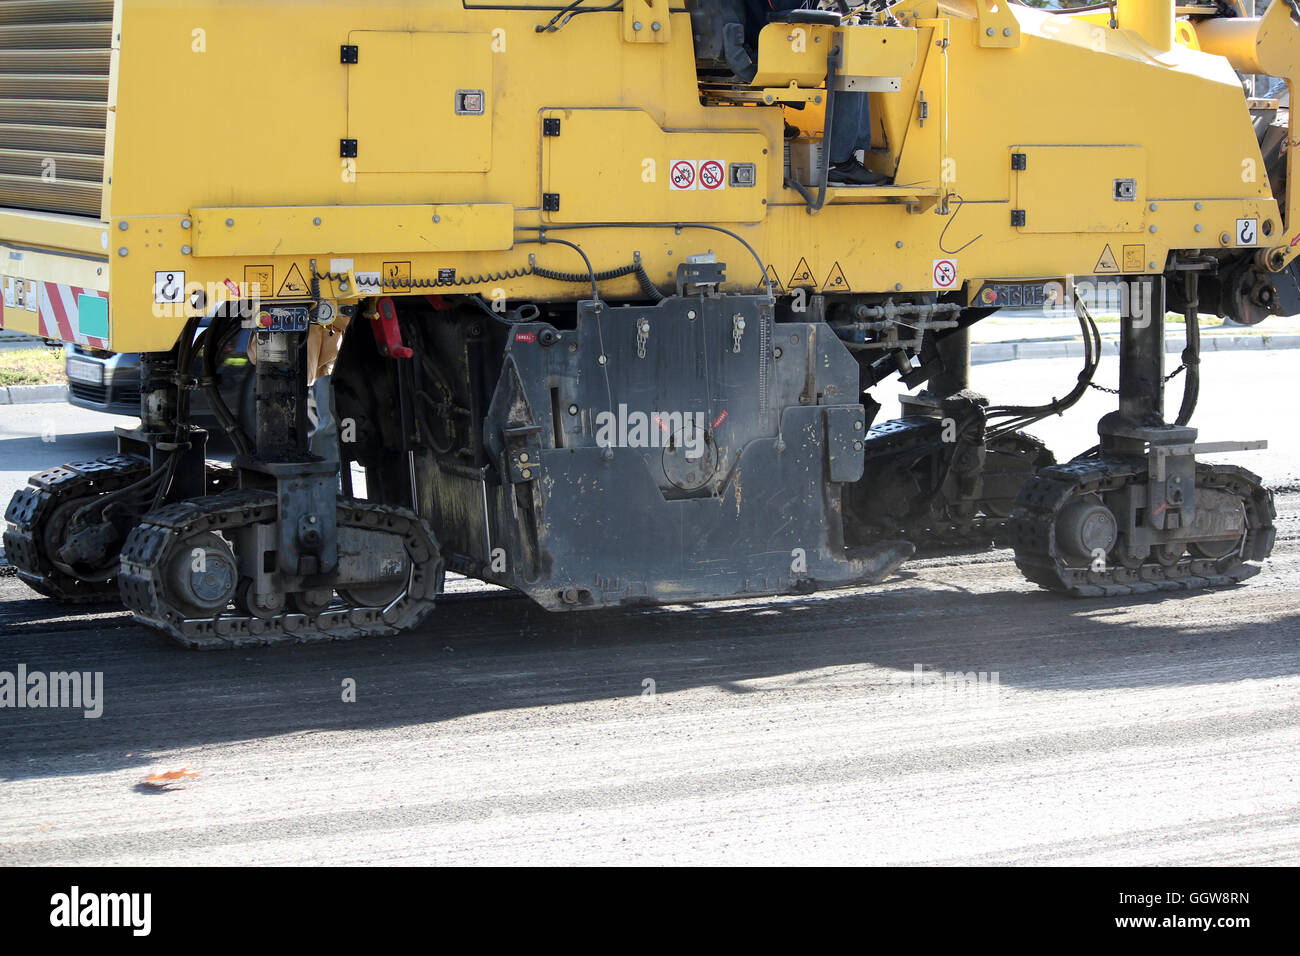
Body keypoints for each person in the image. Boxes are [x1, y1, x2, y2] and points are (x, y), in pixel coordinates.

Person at [745, 0, 887, 186]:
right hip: (776, 39)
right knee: (854, 56)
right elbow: (784, 6)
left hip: (760, 37)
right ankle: (840, 162)